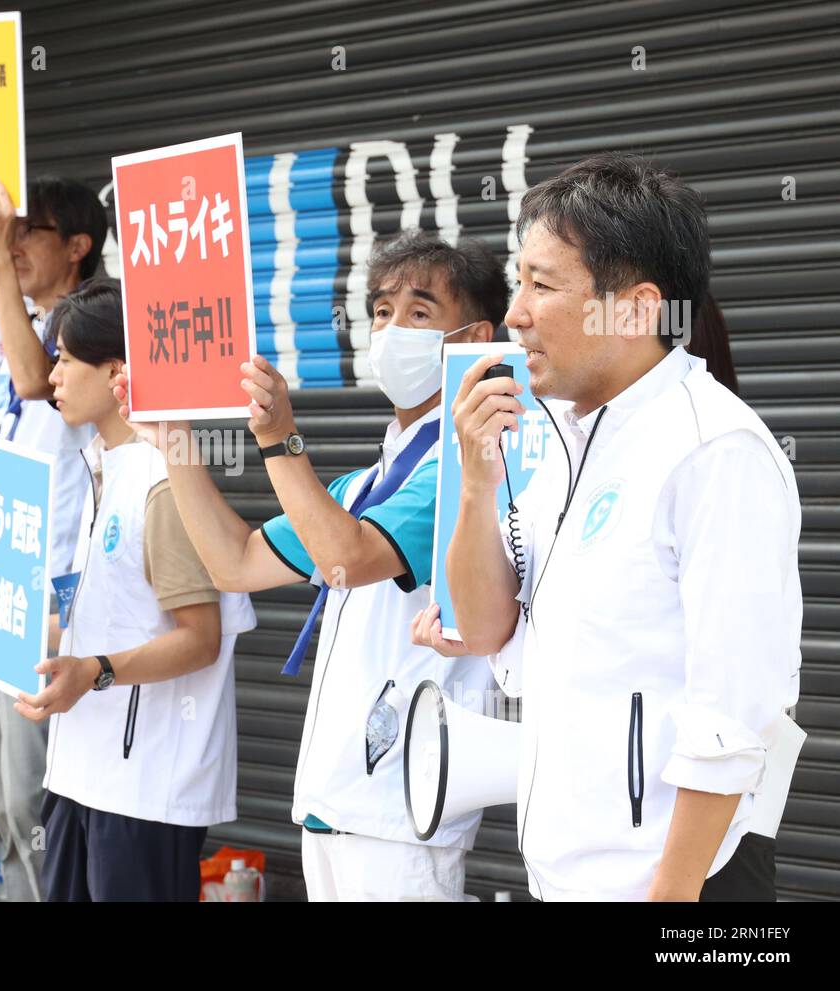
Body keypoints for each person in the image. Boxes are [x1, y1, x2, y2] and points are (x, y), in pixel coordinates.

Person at [425, 152, 801, 901]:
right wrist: (475, 479)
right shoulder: (568, 432)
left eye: (542, 284)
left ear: (634, 308)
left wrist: (672, 895)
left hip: (676, 886)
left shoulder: (715, 451)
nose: (515, 314)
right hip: (566, 874)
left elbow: (734, 718)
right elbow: (490, 627)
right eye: (516, 282)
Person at [114, 232, 508, 901]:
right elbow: (234, 562)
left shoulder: (463, 466)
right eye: (381, 312)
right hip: (338, 808)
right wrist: (174, 441)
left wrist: (280, 437)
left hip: (400, 817)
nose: (389, 330)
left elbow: (346, 557)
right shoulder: (361, 488)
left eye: (418, 313)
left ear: (475, 337)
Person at [0, 278, 254, 901]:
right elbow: (103, 616)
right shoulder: (104, 467)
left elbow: (200, 640)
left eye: (64, 358)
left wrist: (95, 671)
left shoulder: (165, 482)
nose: (50, 375)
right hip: (82, 773)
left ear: (117, 369)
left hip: (145, 791)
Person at [0, 175, 107, 901]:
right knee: (2, 801)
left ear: (76, 246)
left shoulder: (90, 325)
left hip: (41, 595)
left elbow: (35, 378)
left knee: (31, 794)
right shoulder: (16, 311)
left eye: (27, 231)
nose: (10, 243)